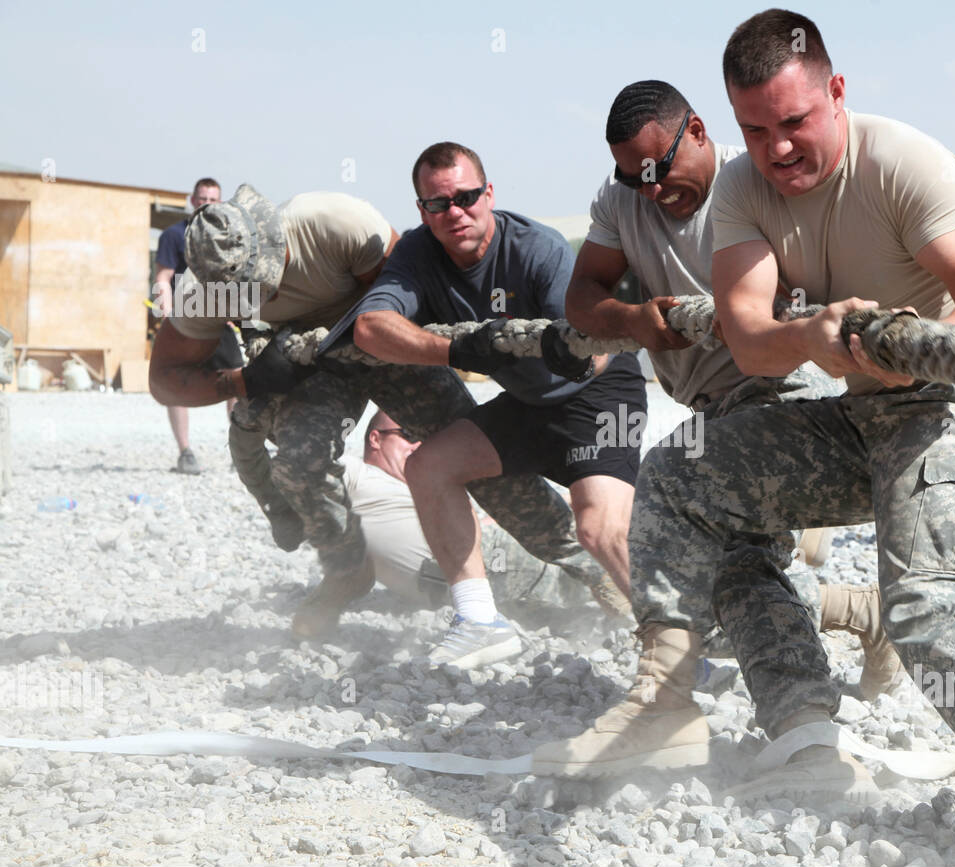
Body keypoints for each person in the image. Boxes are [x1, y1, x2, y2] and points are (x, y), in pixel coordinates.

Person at [544, 10, 955, 865]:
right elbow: (746, 330)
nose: (778, 149)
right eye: (757, 130)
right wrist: (813, 339)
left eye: (796, 122)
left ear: (836, 93)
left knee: (929, 606)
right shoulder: (742, 192)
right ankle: (689, 705)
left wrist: (910, 351)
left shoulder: (902, 161)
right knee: (685, 476)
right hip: (856, 412)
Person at [536, 78, 903, 778]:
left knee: (727, 551)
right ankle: (852, 624)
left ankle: (780, 727)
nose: (650, 191)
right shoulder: (623, 200)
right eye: (631, 176)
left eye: (660, 170)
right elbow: (584, 299)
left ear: (698, 132)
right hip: (712, 409)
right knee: (721, 575)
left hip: (784, 390)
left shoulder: (758, 180)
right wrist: (633, 321)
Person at [151, 184, 615, 642]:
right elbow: (164, 380)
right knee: (299, 463)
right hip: (306, 369)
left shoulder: (335, 223)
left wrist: (445, 346)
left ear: (273, 238)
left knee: (470, 459)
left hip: (385, 348)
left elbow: (411, 284)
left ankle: (591, 568)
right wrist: (246, 381)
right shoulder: (208, 294)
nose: (260, 293)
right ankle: (346, 570)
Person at [350, 142, 647, 666]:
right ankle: (480, 620)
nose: (455, 213)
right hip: (531, 403)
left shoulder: (538, 248)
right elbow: (371, 327)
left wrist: (572, 353)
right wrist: (458, 349)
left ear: (489, 193)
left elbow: (595, 346)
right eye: (439, 204)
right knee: (427, 466)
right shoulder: (418, 253)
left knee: (598, 529)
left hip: (600, 396)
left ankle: (683, 646)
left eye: (466, 197)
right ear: (423, 211)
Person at [346, 410, 597, 624]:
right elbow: (314, 464)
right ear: (376, 439)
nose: (419, 446)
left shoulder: (417, 488)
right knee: (597, 566)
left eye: (424, 438)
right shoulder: (358, 474)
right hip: (485, 563)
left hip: (487, 561)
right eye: (408, 435)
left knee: (599, 561)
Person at [151, 177, 240, 474]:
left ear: (220, 203)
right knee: (174, 385)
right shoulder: (173, 236)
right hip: (182, 322)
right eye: (201, 199)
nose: (206, 204)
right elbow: (163, 278)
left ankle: (243, 450)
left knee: (238, 384)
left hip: (218, 321)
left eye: (212, 199)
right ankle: (185, 452)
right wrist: (166, 308)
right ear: (192, 201)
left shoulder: (228, 238)